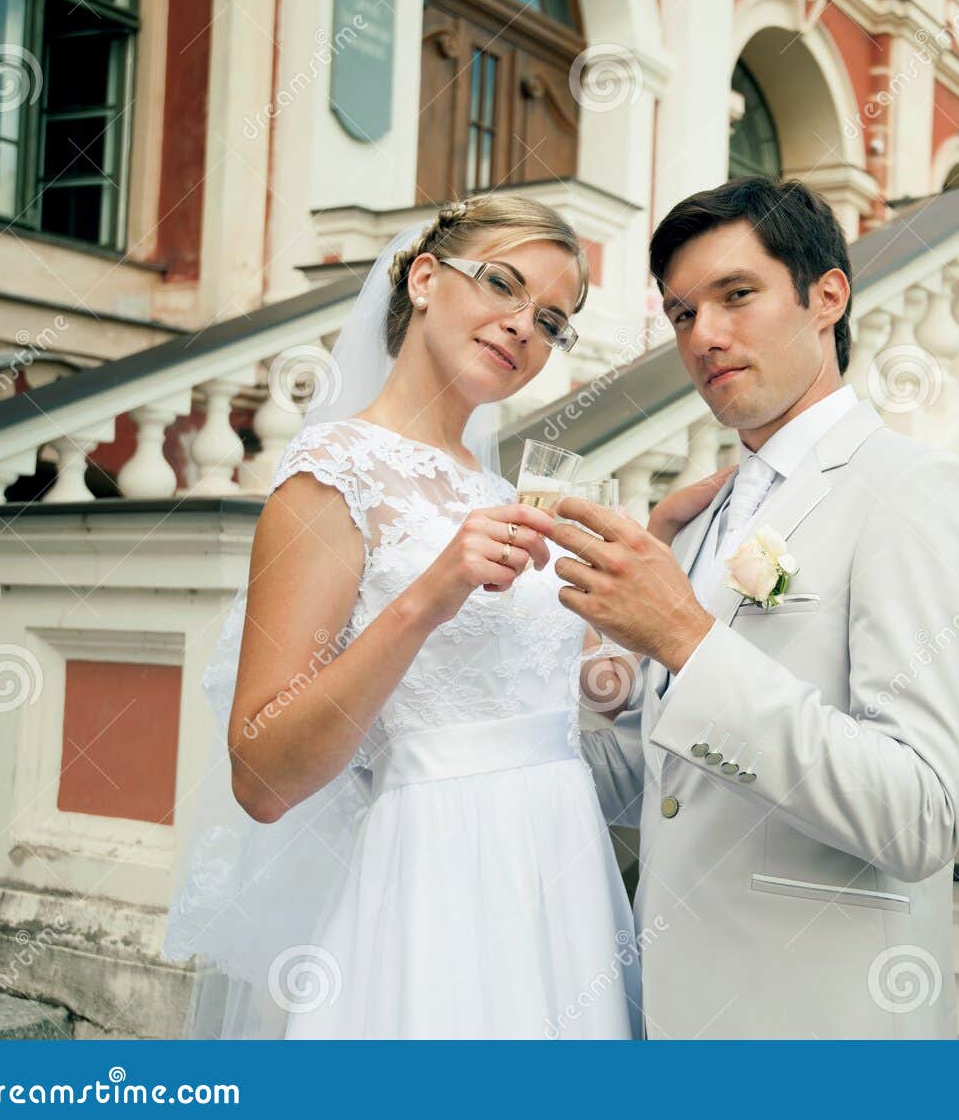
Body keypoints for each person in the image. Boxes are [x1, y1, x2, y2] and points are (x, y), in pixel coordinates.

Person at [163, 194, 724, 1038]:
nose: (522, 327)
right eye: (501, 284)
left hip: (559, 867)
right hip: (434, 875)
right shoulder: (330, 476)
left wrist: (650, 563)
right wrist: (428, 596)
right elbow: (262, 776)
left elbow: (579, 703)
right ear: (425, 277)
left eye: (551, 319)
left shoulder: (503, 497)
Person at [536, 176, 959, 1038]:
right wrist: (578, 649)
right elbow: (651, 786)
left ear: (826, 295)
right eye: (683, 314)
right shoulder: (694, 520)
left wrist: (685, 636)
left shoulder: (920, 493)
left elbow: (916, 814)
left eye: (736, 295)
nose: (705, 337)